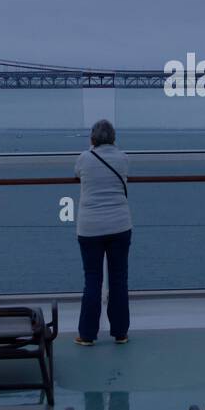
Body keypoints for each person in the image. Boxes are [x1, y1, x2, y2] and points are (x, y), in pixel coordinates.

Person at [72, 119, 132, 345]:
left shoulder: (85, 158)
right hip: (120, 226)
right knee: (119, 279)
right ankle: (120, 333)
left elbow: (77, 172)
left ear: (92, 139)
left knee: (92, 280)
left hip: (90, 229)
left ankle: (87, 335)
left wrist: (91, 149)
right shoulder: (123, 158)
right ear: (114, 138)